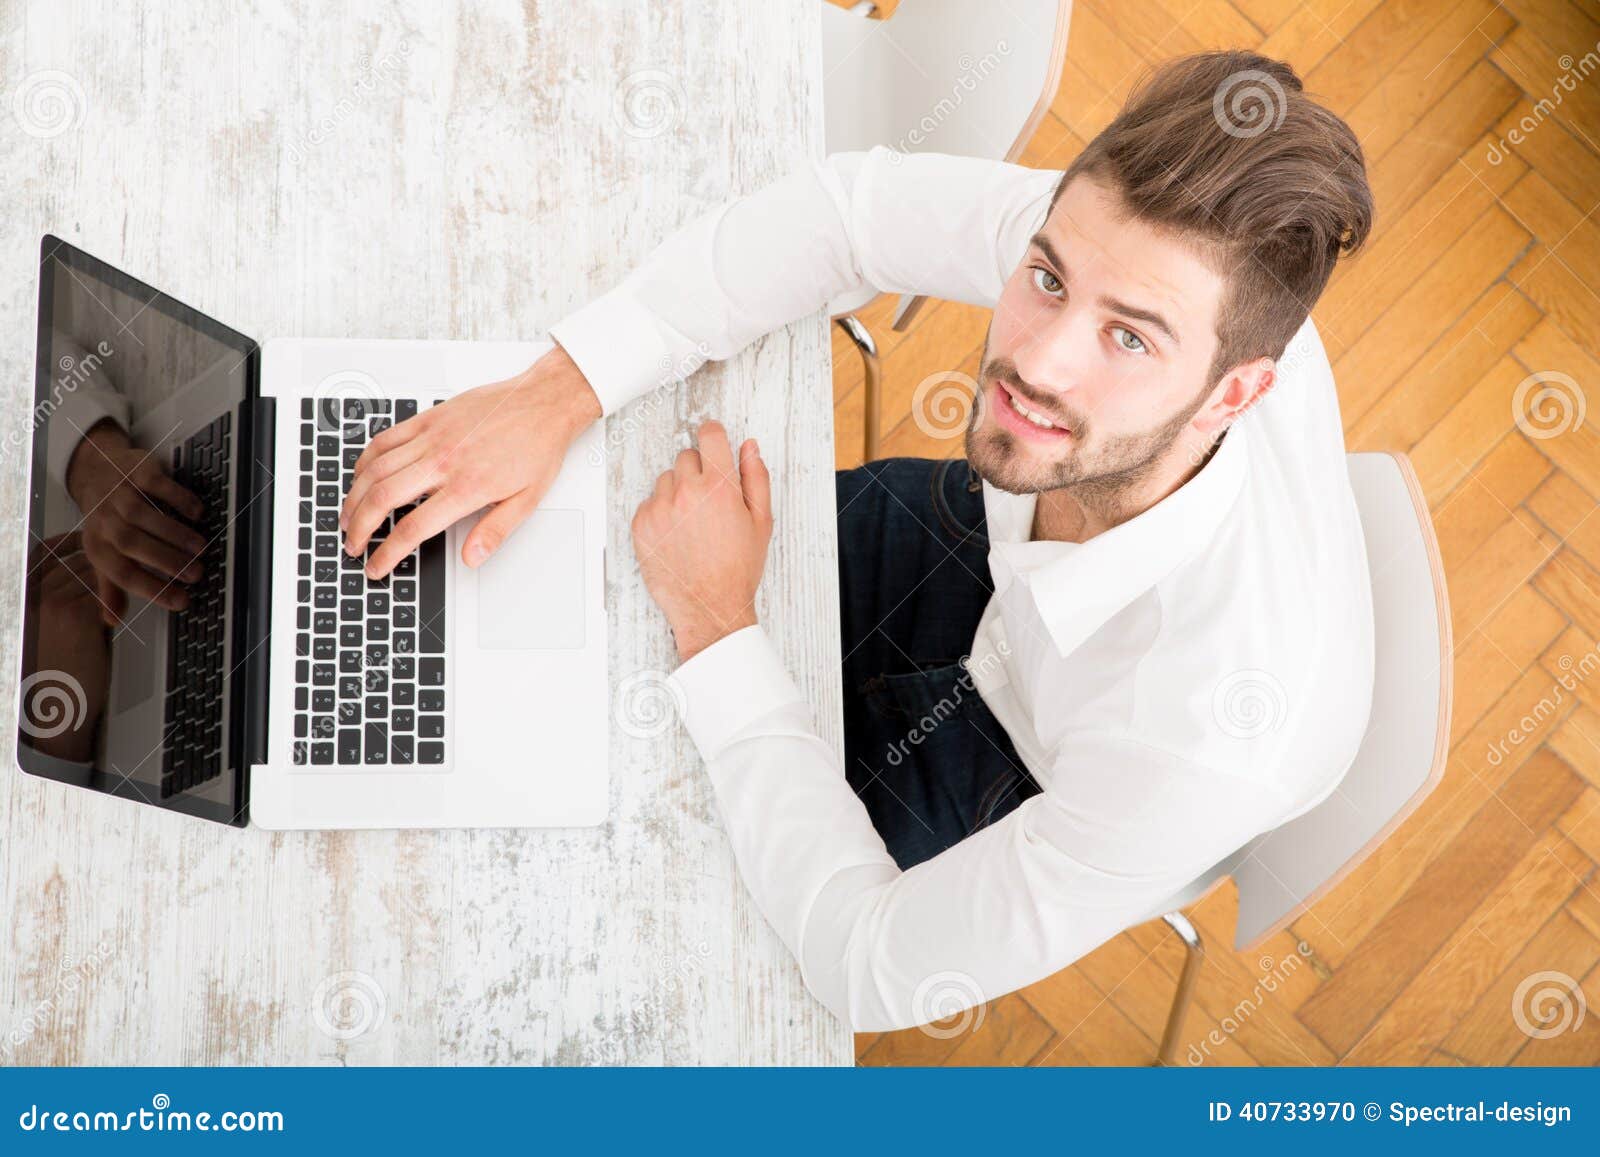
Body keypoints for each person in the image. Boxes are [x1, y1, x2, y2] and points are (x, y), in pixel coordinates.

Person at [339, 51, 1377, 1031]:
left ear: (1234, 394)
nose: (1036, 362)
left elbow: (868, 966)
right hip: (995, 545)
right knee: (559, 607)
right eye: (1046, 280)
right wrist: (555, 392)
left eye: (1127, 338)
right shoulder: (1130, 257)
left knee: (632, 884)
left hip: (1033, 754)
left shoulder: (1194, 747)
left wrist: (715, 624)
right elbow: (843, 217)